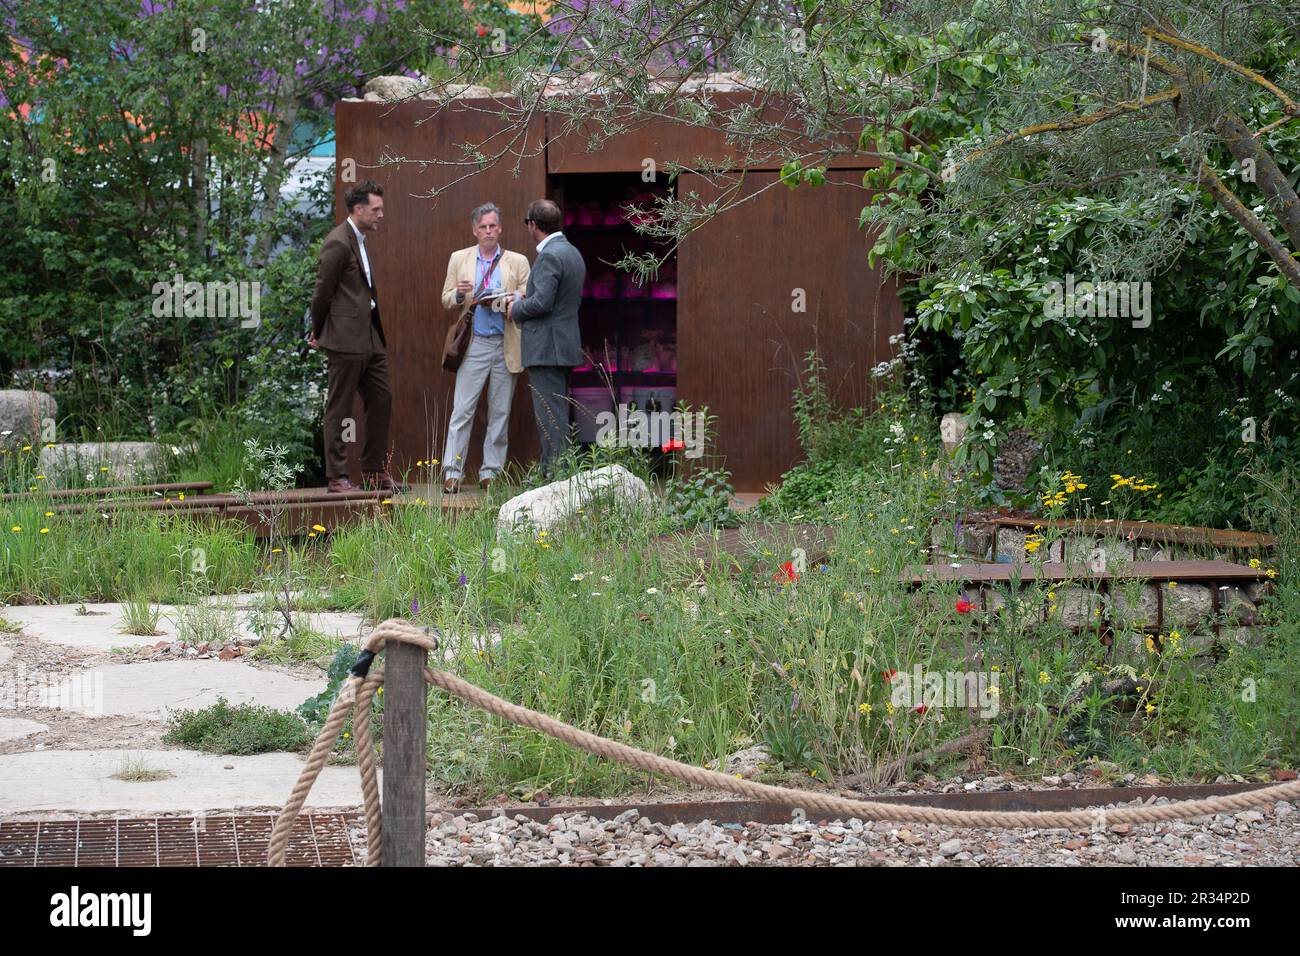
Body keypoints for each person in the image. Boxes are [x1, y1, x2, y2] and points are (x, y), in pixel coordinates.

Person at [308, 180, 399, 493]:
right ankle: (337, 476)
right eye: (376, 209)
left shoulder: (359, 238)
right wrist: (318, 331)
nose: (381, 215)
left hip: (370, 336)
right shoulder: (338, 242)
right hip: (345, 338)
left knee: (382, 398)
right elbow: (321, 293)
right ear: (358, 210)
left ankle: (374, 471)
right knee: (340, 407)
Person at [438, 203, 531, 493]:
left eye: (493, 226)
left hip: (505, 342)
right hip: (474, 343)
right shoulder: (459, 258)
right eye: (483, 227)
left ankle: (490, 472)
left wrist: (509, 301)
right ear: (475, 230)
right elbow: (445, 298)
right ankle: (452, 473)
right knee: (462, 410)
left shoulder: (517, 261)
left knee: (500, 412)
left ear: (500, 228)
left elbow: (527, 299)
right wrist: (460, 294)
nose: (488, 231)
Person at [506, 199, 586, 478]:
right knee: (557, 412)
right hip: (562, 345)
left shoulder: (550, 255)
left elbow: (543, 304)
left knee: (550, 416)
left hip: (546, 348)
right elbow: (556, 298)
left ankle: (556, 476)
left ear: (533, 225)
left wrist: (515, 308)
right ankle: (556, 474)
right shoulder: (572, 252)